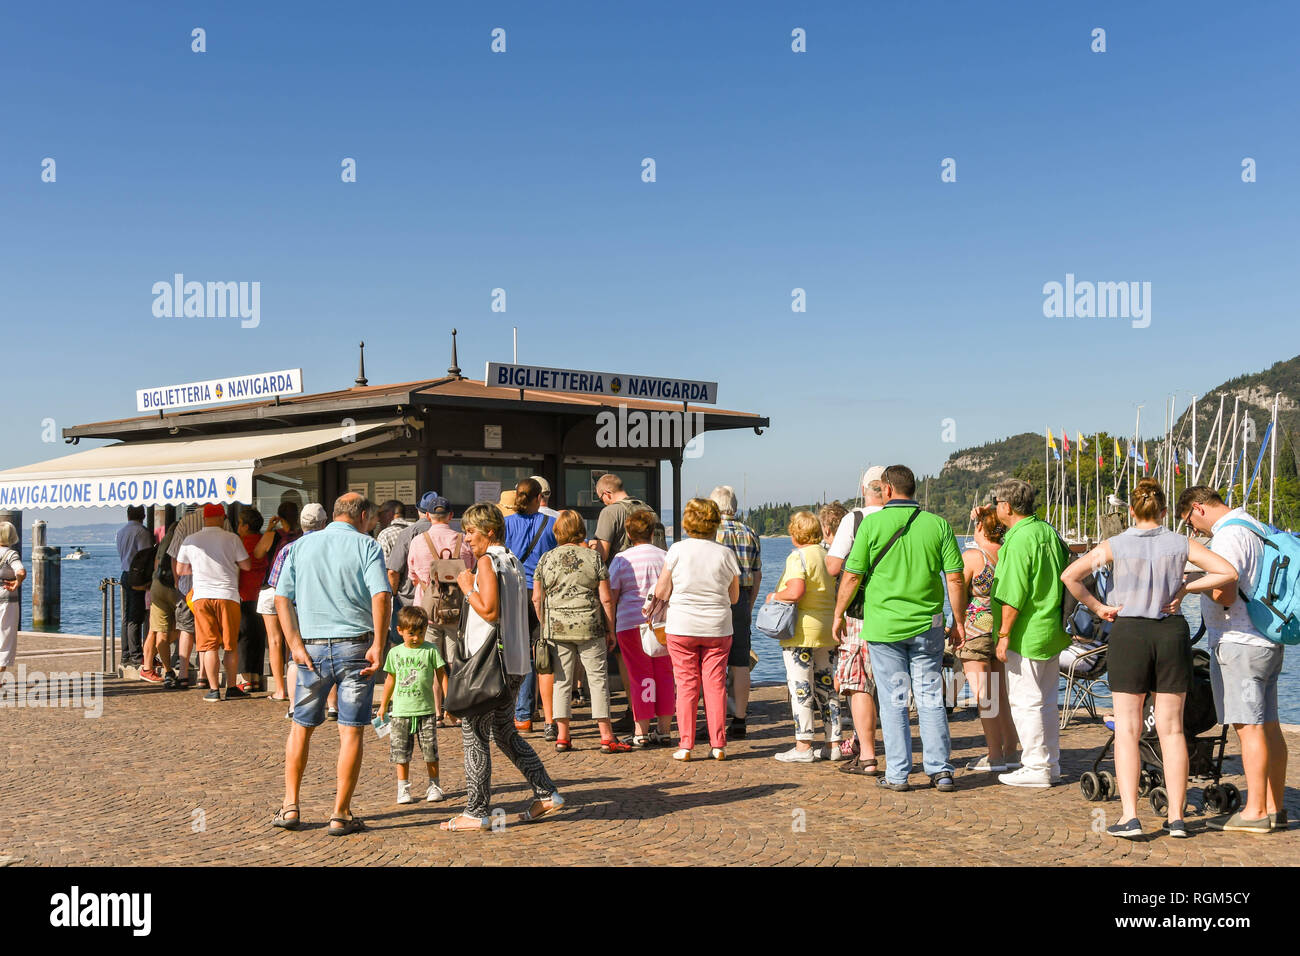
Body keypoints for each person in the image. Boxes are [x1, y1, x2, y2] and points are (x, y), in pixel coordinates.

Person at [1063, 478, 1236, 838]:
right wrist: (1187, 586)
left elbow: (1070, 576)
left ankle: (1130, 816)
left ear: (1131, 511)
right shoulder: (1180, 542)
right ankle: (1176, 817)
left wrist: (1099, 607)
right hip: (1170, 633)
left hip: (1129, 633)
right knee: (1172, 730)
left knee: (1127, 729)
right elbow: (1227, 572)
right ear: (1163, 510)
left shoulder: (1116, 544)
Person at [832, 465, 964, 793]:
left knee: (894, 699)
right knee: (931, 696)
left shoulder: (872, 525)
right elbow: (955, 578)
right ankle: (941, 771)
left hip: (883, 627)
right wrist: (959, 620)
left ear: (887, 489)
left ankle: (898, 774)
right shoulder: (938, 525)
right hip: (928, 625)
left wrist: (838, 614)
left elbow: (850, 575)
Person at [440, 503, 564, 830]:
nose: (467, 539)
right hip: (514, 661)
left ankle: (476, 811)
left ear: (489, 531)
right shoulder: (511, 561)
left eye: (470, 532)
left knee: (476, 734)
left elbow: (489, 611)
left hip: (489, 663)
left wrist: (466, 587)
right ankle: (546, 793)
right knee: (505, 732)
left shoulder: (486, 562)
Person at [274, 493, 391, 836]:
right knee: (351, 729)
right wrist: (380, 646)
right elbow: (381, 595)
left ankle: (291, 805)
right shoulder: (367, 546)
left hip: (310, 648)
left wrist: (294, 644)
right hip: (355, 646)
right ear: (364, 515)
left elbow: (282, 597)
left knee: (301, 726)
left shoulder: (300, 546)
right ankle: (340, 813)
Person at [1179, 486, 1290, 833]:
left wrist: (1190, 584)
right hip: (1267, 639)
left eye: (1189, 523)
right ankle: (1275, 806)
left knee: (1248, 727)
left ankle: (1255, 812)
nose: (1194, 531)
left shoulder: (1227, 536)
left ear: (1198, 508)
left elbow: (1225, 591)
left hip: (1238, 641)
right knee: (1269, 725)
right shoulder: (1254, 526)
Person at [533, 510, 630, 754]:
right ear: (581, 529)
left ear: (558, 532)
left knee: (561, 681)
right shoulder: (593, 558)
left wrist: (545, 622)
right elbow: (607, 599)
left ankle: (563, 736)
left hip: (557, 627)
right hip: (590, 625)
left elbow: (536, 598)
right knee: (597, 680)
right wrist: (611, 629)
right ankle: (607, 736)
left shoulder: (546, 559)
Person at [654, 497, 739, 761]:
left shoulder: (677, 550)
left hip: (682, 625)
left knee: (686, 684)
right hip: (717, 626)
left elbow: (661, 590)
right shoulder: (726, 553)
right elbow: (734, 597)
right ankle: (718, 744)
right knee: (715, 685)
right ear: (714, 522)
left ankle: (686, 744)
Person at [825, 466, 887, 775]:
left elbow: (836, 567)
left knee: (859, 682)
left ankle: (867, 756)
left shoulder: (855, 519)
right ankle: (898, 751)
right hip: (898, 612)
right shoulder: (907, 519)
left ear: (864, 489)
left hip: (860, 611)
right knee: (890, 682)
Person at [766, 511, 843, 762]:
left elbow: (796, 590)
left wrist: (774, 596)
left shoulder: (797, 556)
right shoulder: (827, 555)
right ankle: (834, 743)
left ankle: (803, 745)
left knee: (801, 686)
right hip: (826, 628)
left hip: (802, 631)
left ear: (795, 532)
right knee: (826, 686)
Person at [957, 501, 1020, 772]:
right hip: (1001, 629)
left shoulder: (974, 556)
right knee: (1002, 695)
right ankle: (1010, 751)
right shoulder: (1006, 553)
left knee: (984, 696)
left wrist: (955, 623)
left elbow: (957, 591)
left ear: (981, 525)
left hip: (975, 629)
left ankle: (994, 756)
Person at [608, 508, 674, 747]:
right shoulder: (665, 556)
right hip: (662, 623)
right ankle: (664, 729)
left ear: (628, 533)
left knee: (640, 677)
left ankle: (641, 731)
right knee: (665, 675)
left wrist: (609, 624)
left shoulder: (621, 559)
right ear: (652, 531)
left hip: (631, 623)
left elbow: (613, 593)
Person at [407, 495, 473, 723]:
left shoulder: (418, 541)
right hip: (456, 611)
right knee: (456, 661)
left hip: (428, 611)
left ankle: (436, 712)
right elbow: (470, 574)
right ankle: (456, 708)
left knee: (431, 660)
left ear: (427, 516)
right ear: (451, 516)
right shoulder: (462, 541)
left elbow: (413, 576)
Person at [175, 504, 251, 701]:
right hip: (227, 595)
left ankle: (214, 690)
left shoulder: (190, 540)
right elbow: (246, 565)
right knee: (230, 645)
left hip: (201, 596)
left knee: (209, 646)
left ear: (204, 519)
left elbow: (180, 570)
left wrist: (199, 569)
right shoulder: (232, 538)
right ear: (221, 518)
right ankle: (232, 687)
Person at [377, 605, 447, 804]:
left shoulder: (431, 650)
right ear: (400, 631)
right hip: (400, 712)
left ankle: (434, 785)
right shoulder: (395, 653)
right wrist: (383, 706)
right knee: (400, 753)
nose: (416, 638)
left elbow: (442, 676)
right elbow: (390, 679)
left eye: (420, 633)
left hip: (426, 711)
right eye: (411, 634)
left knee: (430, 751)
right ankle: (403, 788)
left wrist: (447, 702)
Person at [264, 503, 329, 714]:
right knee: (332, 654)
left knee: (294, 656)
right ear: (324, 524)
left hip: (295, 608)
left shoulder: (288, 549)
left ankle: (293, 706)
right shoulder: (330, 548)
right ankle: (334, 707)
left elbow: (275, 583)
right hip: (325, 607)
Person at [505, 478, 558, 735]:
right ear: (540, 498)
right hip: (542, 593)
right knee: (544, 654)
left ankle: (522, 715)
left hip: (515, 593)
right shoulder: (552, 524)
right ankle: (550, 717)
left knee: (521, 653)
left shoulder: (506, 525)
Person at [711, 485, 762, 740]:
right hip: (742, 598)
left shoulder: (711, 533)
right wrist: (750, 604)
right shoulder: (750, 532)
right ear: (735, 505)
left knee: (715, 662)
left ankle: (715, 720)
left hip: (716, 599)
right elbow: (756, 573)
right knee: (741, 661)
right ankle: (740, 719)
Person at [167, 504, 232, 688]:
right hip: (215, 586)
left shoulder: (185, 522)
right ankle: (204, 676)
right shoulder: (223, 521)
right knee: (208, 631)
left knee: (186, 629)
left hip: (189, 586)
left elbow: (174, 554)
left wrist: (177, 580)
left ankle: (183, 673)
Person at [255, 501, 303, 702]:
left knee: (274, 641)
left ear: (279, 517)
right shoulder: (302, 537)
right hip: (294, 592)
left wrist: (269, 528)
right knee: (292, 639)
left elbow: (257, 554)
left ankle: (280, 690)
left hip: (271, 591)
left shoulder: (273, 535)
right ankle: (295, 687)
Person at [142, 509, 182, 687]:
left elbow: (157, 564)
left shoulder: (165, 540)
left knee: (158, 632)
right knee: (188, 627)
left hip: (157, 585)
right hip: (175, 586)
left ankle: (167, 671)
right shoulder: (184, 539)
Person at [235, 507, 269, 692]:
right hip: (260, 595)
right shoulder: (262, 540)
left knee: (245, 639)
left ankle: (246, 679)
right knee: (258, 638)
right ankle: (256, 677)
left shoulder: (243, 543)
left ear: (246, 526)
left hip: (245, 595)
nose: (238, 527)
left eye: (240, 524)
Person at [116, 505, 153, 665]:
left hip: (125, 573)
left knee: (127, 616)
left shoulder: (121, 532)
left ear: (127, 515)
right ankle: (137, 655)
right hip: (137, 576)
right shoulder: (142, 532)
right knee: (135, 617)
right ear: (143, 515)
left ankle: (126, 655)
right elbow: (145, 556)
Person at [0, 522, 25, 677]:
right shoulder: (11, 554)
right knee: (5, 639)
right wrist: (17, 582)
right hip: (7, 601)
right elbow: (20, 571)